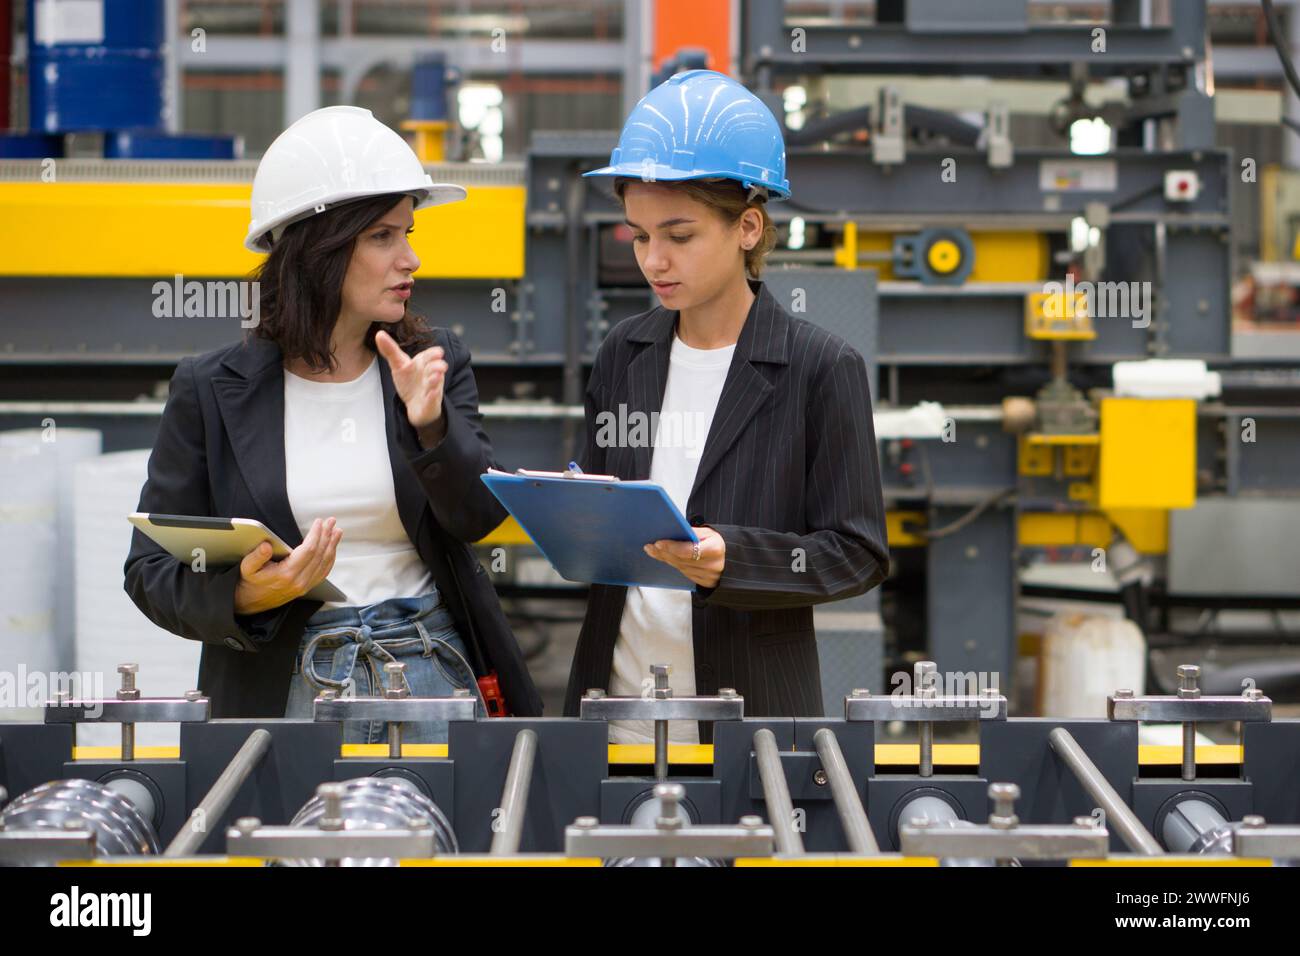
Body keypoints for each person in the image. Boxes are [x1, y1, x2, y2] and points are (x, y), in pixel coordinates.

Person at [124, 106, 542, 741]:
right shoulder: (211, 389)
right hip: (287, 692)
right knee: (289, 844)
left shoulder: (433, 363)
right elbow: (150, 571)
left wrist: (432, 426)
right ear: (318, 252)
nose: (412, 258)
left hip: (433, 676)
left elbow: (479, 521)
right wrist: (244, 597)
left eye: (408, 232)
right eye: (383, 237)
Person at [566, 71, 889, 745]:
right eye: (639, 235)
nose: (653, 260)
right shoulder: (624, 353)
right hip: (615, 710)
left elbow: (856, 553)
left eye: (679, 235)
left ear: (747, 227)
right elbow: (603, 508)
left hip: (751, 725)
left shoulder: (820, 368)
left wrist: (732, 559)